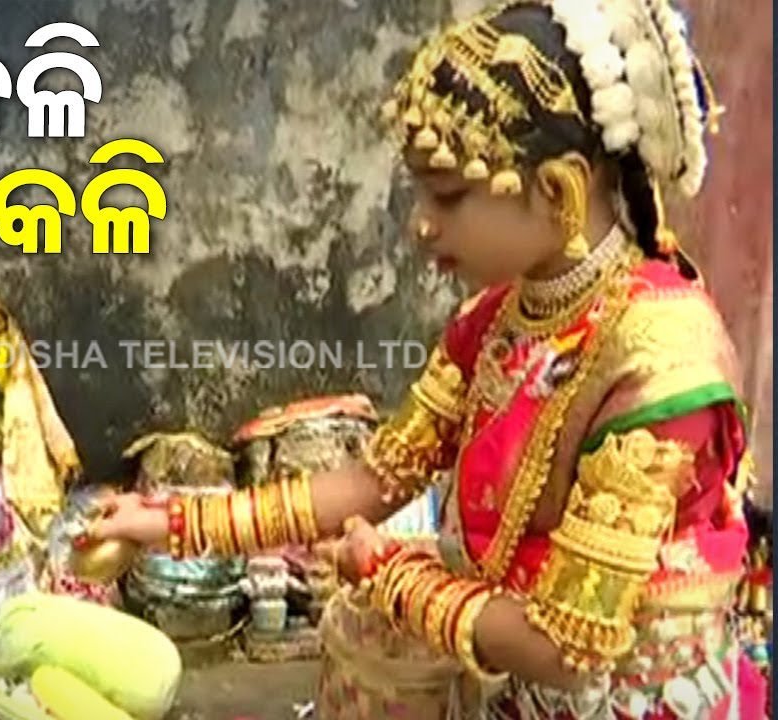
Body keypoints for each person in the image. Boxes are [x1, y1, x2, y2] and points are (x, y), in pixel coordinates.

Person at [84, 0, 768, 717]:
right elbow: (369, 482)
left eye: (446, 194)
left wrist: (387, 573)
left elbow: (566, 650)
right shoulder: (496, 322)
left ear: (558, 188)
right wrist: (164, 522)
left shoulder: (657, 365)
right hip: (509, 683)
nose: (419, 223)